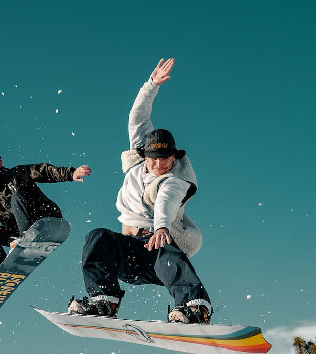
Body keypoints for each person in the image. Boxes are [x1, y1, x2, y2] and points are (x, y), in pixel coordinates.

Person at [68, 57, 212, 324]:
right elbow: (138, 117)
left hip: (157, 256)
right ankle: (104, 300)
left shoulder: (175, 180)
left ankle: (194, 307)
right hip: (127, 255)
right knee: (97, 237)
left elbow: (166, 201)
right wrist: (151, 85)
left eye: (166, 159)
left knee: (164, 246)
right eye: (154, 159)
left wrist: (161, 227)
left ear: (174, 157)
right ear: (144, 155)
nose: (159, 165)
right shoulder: (137, 163)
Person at [0, 144, 92, 286]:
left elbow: (44, 170)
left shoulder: (18, 174)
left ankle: (25, 239)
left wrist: (70, 174)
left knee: (17, 197)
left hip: (46, 216)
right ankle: (0, 272)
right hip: (18, 234)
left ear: (0, 163)